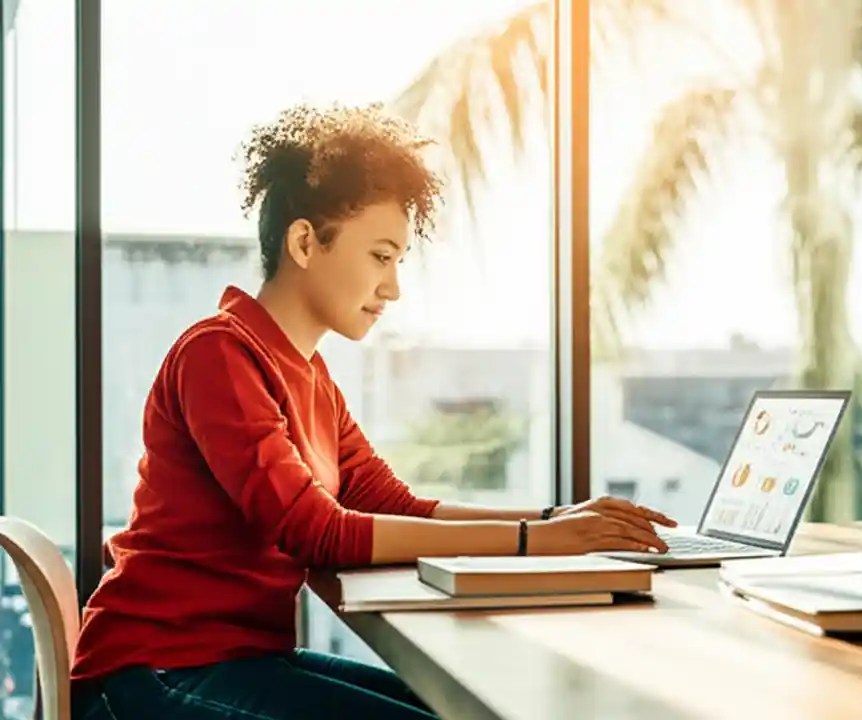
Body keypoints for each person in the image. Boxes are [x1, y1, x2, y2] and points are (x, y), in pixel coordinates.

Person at [70, 102, 676, 720]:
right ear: (305, 242)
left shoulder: (310, 376)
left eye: (398, 262)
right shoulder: (218, 354)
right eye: (380, 257)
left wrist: (555, 518)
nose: (393, 288)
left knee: (457, 710)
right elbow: (318, 531)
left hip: (236, 661)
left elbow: (390, 505)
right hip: (151, 677)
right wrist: (537, 541)